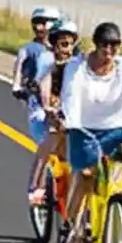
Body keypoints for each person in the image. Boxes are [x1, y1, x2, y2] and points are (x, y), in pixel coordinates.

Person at [57, 21, 122, 243]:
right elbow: (70, 95)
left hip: (117, 129)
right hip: (83, 129)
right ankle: (71, 224)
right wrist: (71, 121)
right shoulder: (77, 67)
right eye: (104, 45)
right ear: (95, 45)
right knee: (86, 175)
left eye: (115, 46)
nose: (109, 51)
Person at [27, 19, 82, 205]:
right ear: (54, 44)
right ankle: (38, 185)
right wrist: (50, 109)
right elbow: (45, 94)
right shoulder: (49, 65)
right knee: (55, 133)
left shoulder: (78, 67)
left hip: (72, 117)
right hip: (46, 117)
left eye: (71, 44)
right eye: (63, 44)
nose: (67, 49)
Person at [12, 6, 59, 150]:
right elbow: (19, 66)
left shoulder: (62, 48)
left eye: (44, 22)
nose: (39, 27)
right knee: (43, 138)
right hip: (36, 99)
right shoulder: (29, 48)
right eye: (36, 23)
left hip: (58, 100)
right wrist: (17, 85)